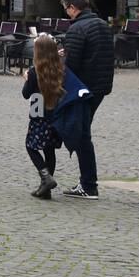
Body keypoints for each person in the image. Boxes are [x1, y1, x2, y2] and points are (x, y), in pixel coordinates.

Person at [57, 0, 114, 200]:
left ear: (73, 7)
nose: (66, 13)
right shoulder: (102, 24)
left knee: (81, 135)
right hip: (101, 86)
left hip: (84, 88)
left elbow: (71, 65)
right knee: (83, 132)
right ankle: (88, 183)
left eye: (66, 9)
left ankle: (89, 185)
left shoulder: (77, 29)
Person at [22, 34, 92, 200]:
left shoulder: (34, 72)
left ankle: (46, 178)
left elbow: (26, 94)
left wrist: (27, 79)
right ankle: (46, 189)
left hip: (38, 113)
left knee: (31, 146)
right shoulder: (62, 70)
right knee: (49, 149)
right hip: (56, 114)